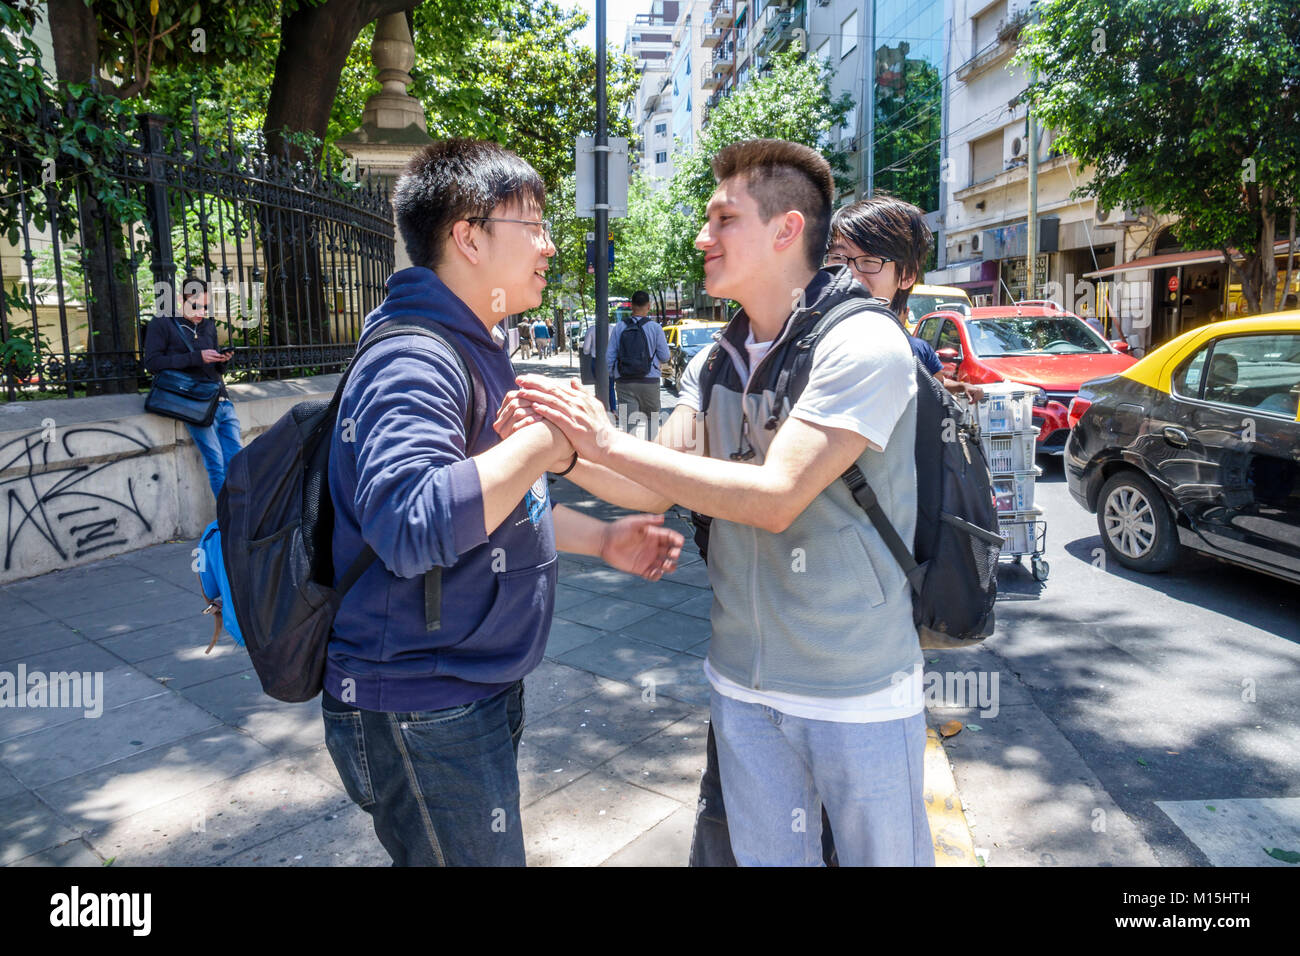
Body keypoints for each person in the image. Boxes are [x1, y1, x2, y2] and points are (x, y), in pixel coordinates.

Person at [507, 139, 935, 867]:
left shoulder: (864, 343)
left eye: (722, 218)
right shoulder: (714, 362)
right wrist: (561, 448)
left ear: (786, 230)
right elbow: (654, 483)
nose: (701, 237)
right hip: (741, 679)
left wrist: (600, 443)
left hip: (855, 685)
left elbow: (776, 498)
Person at [321, 139, 683, 867]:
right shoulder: (415, 357)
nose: (550, 246)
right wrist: (549, 442)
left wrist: (600, 540)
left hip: (467, 688)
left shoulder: (473, 342)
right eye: (534, 224)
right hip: (424, 700)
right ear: (468, 236)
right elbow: (410, 522)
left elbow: (500, 507)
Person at [828, 197, 984, 404]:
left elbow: (934, 389)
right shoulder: (807, 336)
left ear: (907, 275)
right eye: (838, 258)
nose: (850, 274)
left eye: (870, 261)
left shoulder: (886, 356)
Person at [143, 276, 243, 503]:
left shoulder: (208, 326)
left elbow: (214, 367)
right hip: (194, 403)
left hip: (222, 400)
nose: (201, 312)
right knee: (216, 462)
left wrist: (222, 360)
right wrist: (195, 357)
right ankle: (227, 520)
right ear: (181, 299)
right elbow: (152, 363)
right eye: (196, 305)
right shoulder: (163, 323)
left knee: (238, 461)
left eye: (206, 307)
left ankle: (242, 515)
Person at [606, 290, 670, 437]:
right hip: (650, 381)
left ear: (632, 306)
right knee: (652, 421)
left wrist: (614, 375)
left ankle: (631, 456)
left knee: (629, 425)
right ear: (648, 306)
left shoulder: (619, 327)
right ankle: (650, 453)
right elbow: (665, 356)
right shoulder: (655, 328)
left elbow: (609, 357)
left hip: (624, 381)